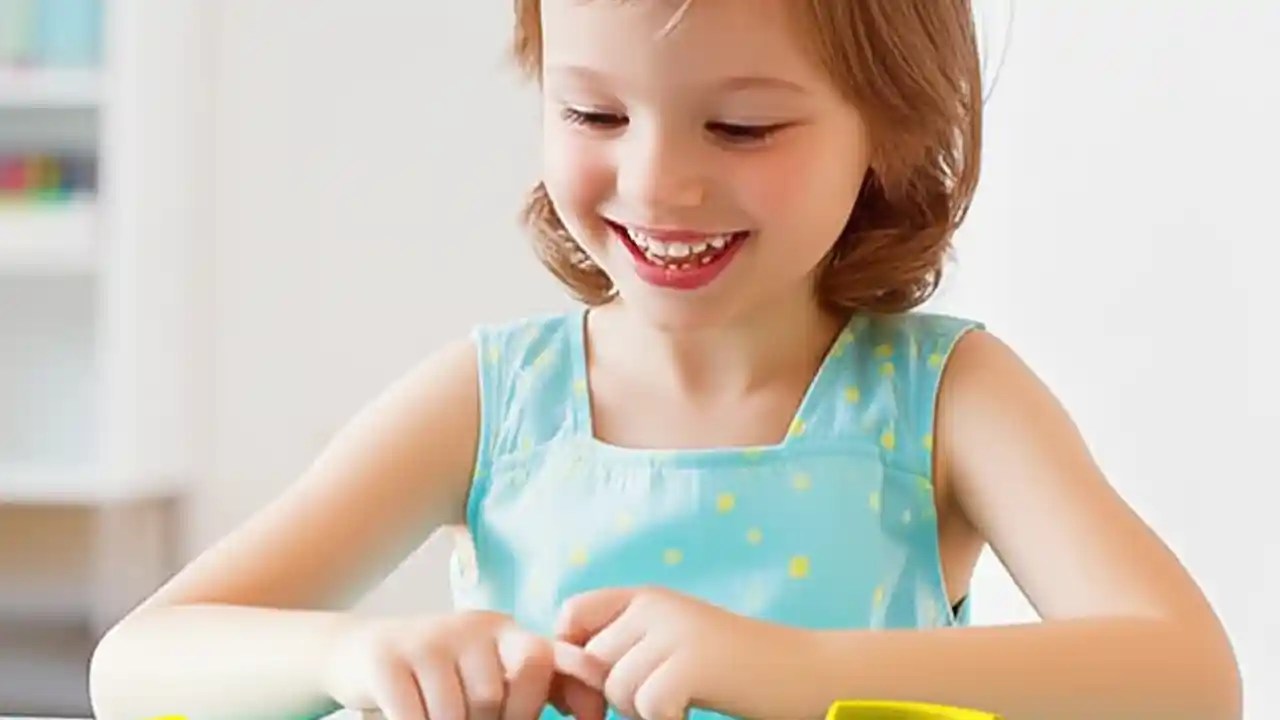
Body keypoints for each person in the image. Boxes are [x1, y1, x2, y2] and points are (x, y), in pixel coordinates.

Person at [88, 1, 1242, 719]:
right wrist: (358, 655)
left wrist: (793, 673)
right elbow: (135, 666)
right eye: (592, 115)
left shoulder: (943, 402)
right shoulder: (491, 405)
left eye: (740, 127)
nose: (654, 184)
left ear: (888, 126)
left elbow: (1185, 683)